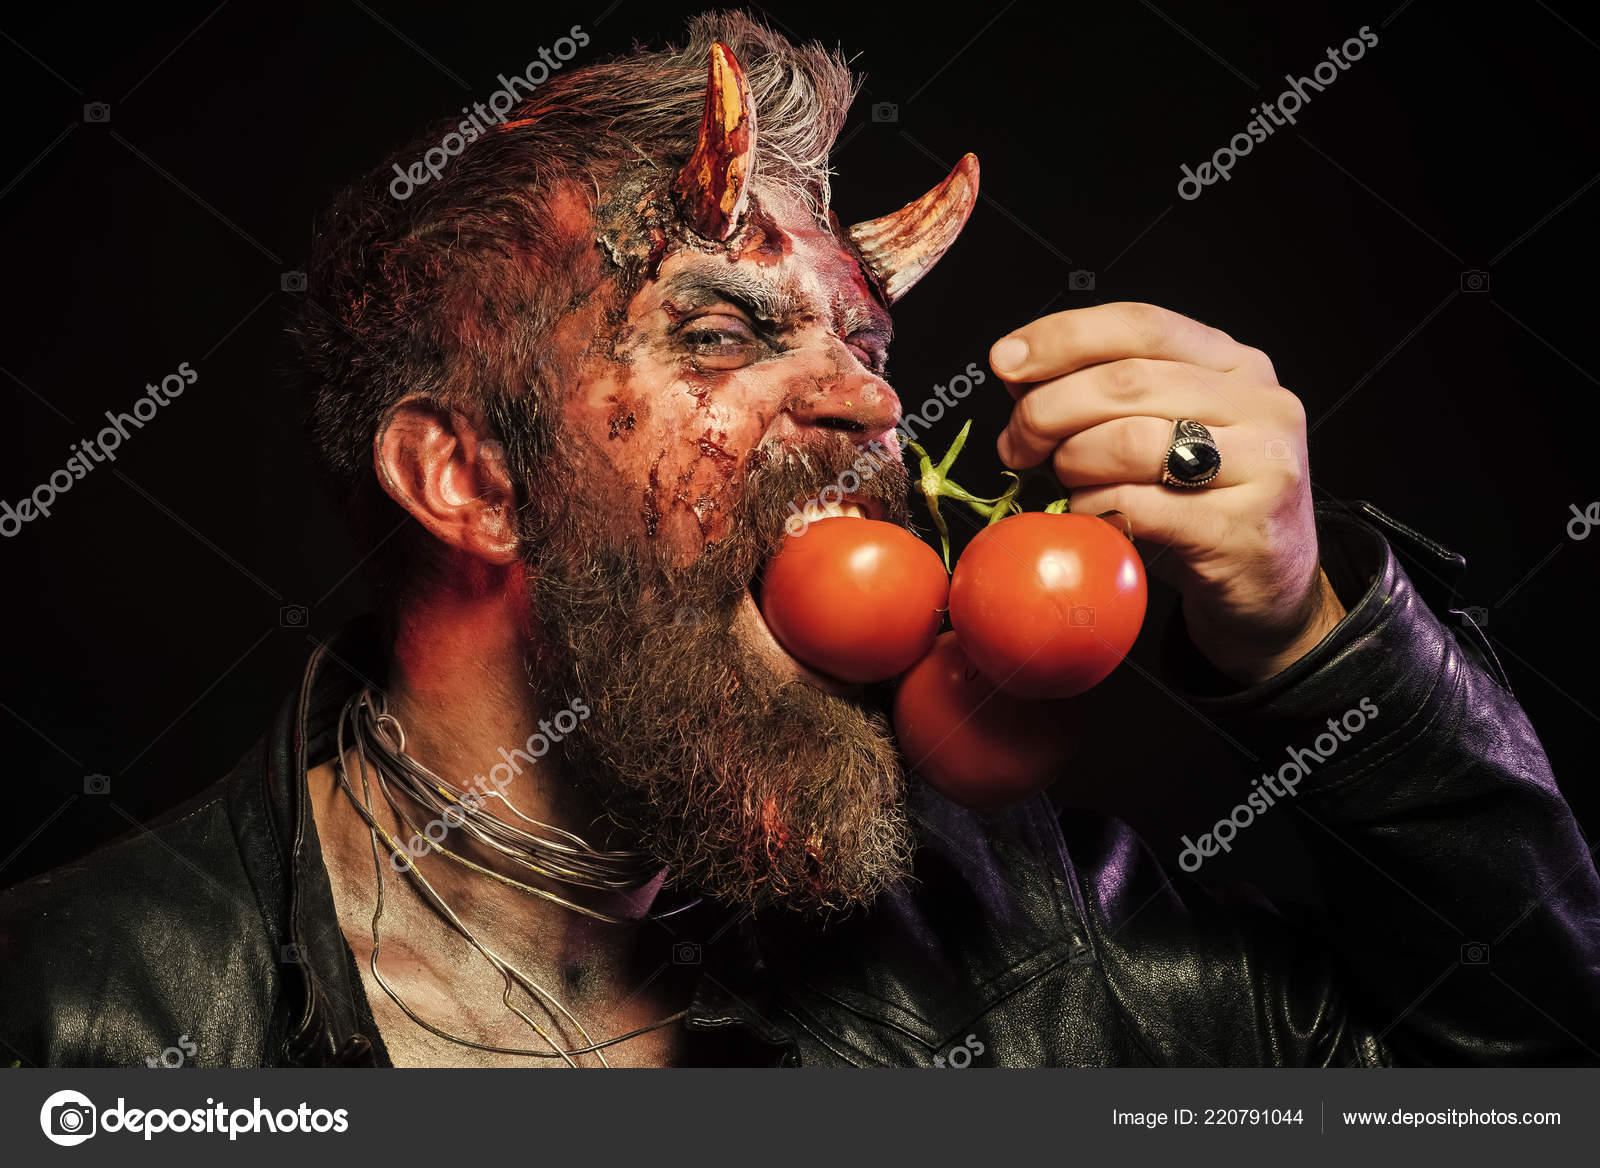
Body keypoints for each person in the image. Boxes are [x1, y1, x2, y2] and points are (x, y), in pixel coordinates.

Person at [2, 11, 1596, 1068]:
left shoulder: (1045, 944)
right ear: (468, 479)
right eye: (719, 333)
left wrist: (1313, 639)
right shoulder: (86, 1015)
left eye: (868, 344)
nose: (870, 404)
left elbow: (1525, 1087)